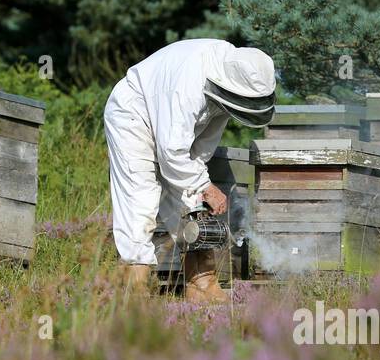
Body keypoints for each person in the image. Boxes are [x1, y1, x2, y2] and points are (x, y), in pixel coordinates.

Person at [103, 39, 275, 303]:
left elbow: (200, 149)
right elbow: (172, 151)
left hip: (172, 128)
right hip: (133, 114)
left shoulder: (230, 79)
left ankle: (201, 284)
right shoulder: (188, 85)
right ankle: (133, 287)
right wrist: (205, 186)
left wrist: (198, 188)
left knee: (192, 203)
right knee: (141, 198)